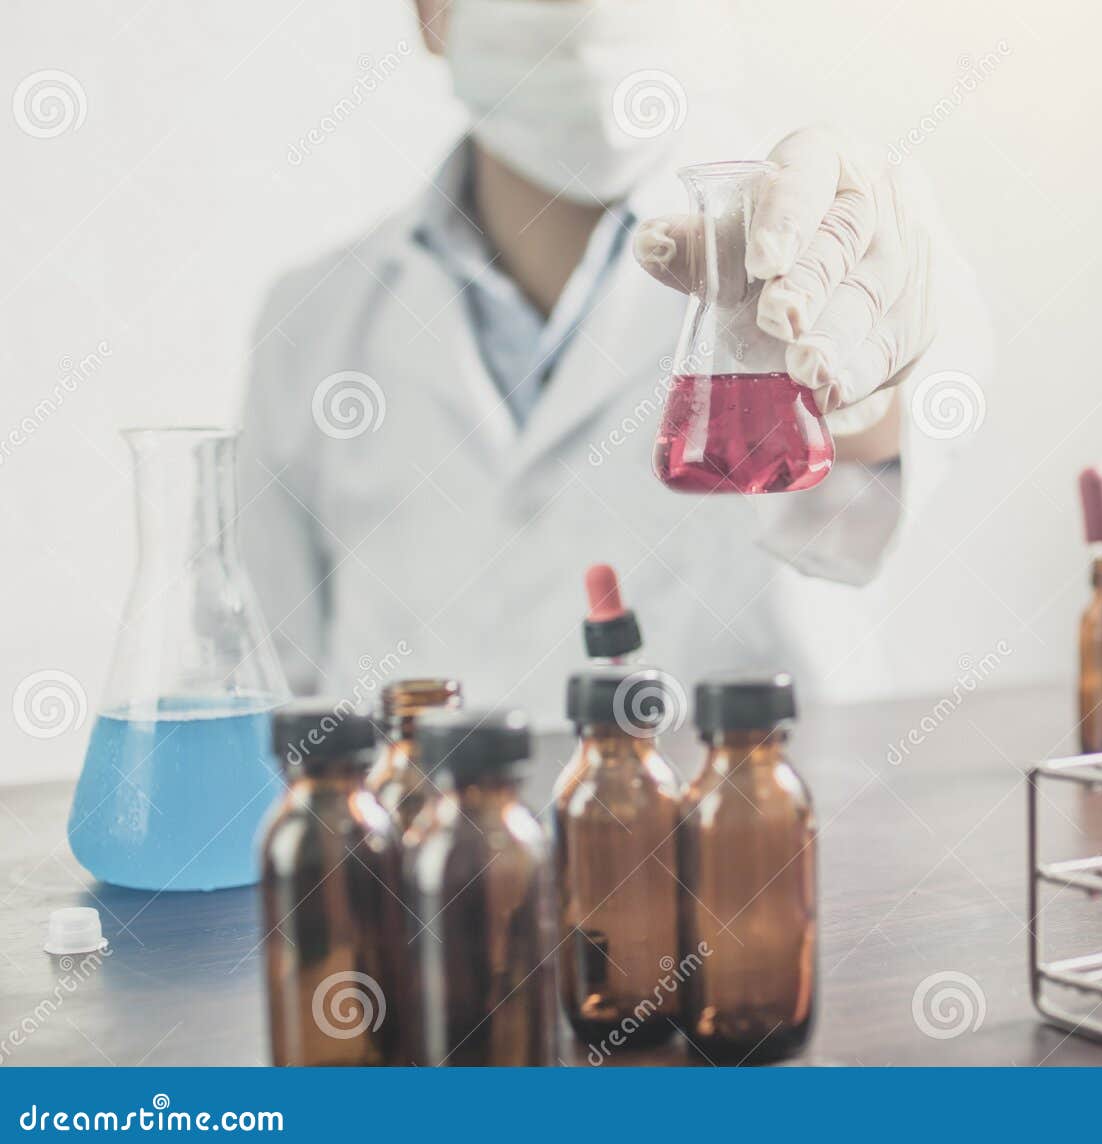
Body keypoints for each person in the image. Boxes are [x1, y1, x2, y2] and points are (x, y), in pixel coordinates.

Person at [238, 0, 991, 721]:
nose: (590, 10)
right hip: (413, 850)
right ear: (432, 9)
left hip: (751, 841)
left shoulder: (841, 250)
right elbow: (274, 689)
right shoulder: (311, 321)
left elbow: (885, 429)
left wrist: (855, 378)